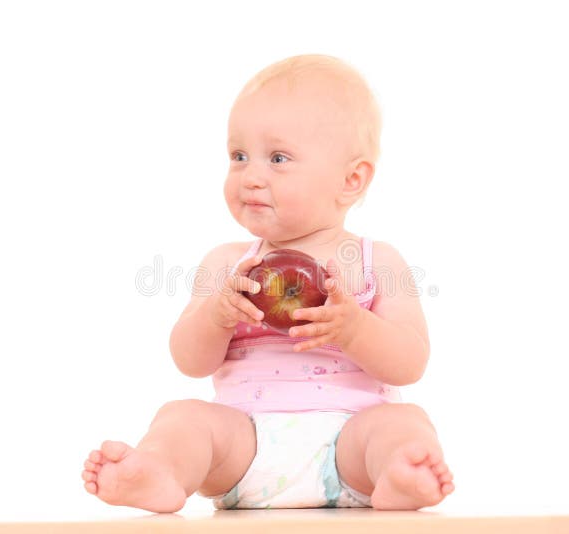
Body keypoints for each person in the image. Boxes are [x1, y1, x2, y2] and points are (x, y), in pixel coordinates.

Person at [81, 54, 454, 512]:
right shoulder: (227, 265)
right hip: (245, 443)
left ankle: (399, 473)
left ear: (351, 180)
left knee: (405, 423)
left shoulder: (378, 261)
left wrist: (353, 327)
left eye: (278, 158)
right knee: (183, 418)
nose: (251, 176)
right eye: (239, 156)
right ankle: (160, 471)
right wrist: (216, 317)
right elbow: (189, 360)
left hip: (351, 443)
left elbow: (410, 362)